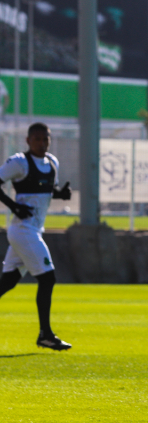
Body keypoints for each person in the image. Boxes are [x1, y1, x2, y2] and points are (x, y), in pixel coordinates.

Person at [0, 123, 72, 350]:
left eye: (45, 139)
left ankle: (45, 335)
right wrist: (14, 206)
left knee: (9, 281)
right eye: (37, 139)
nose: (42, 144)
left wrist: (60, 194)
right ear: (28, 140)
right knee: (48, 278)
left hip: (33, 230)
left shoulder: (52, 162)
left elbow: (48, 189)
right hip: (23, 230)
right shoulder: (19, 162)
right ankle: (46, 335)